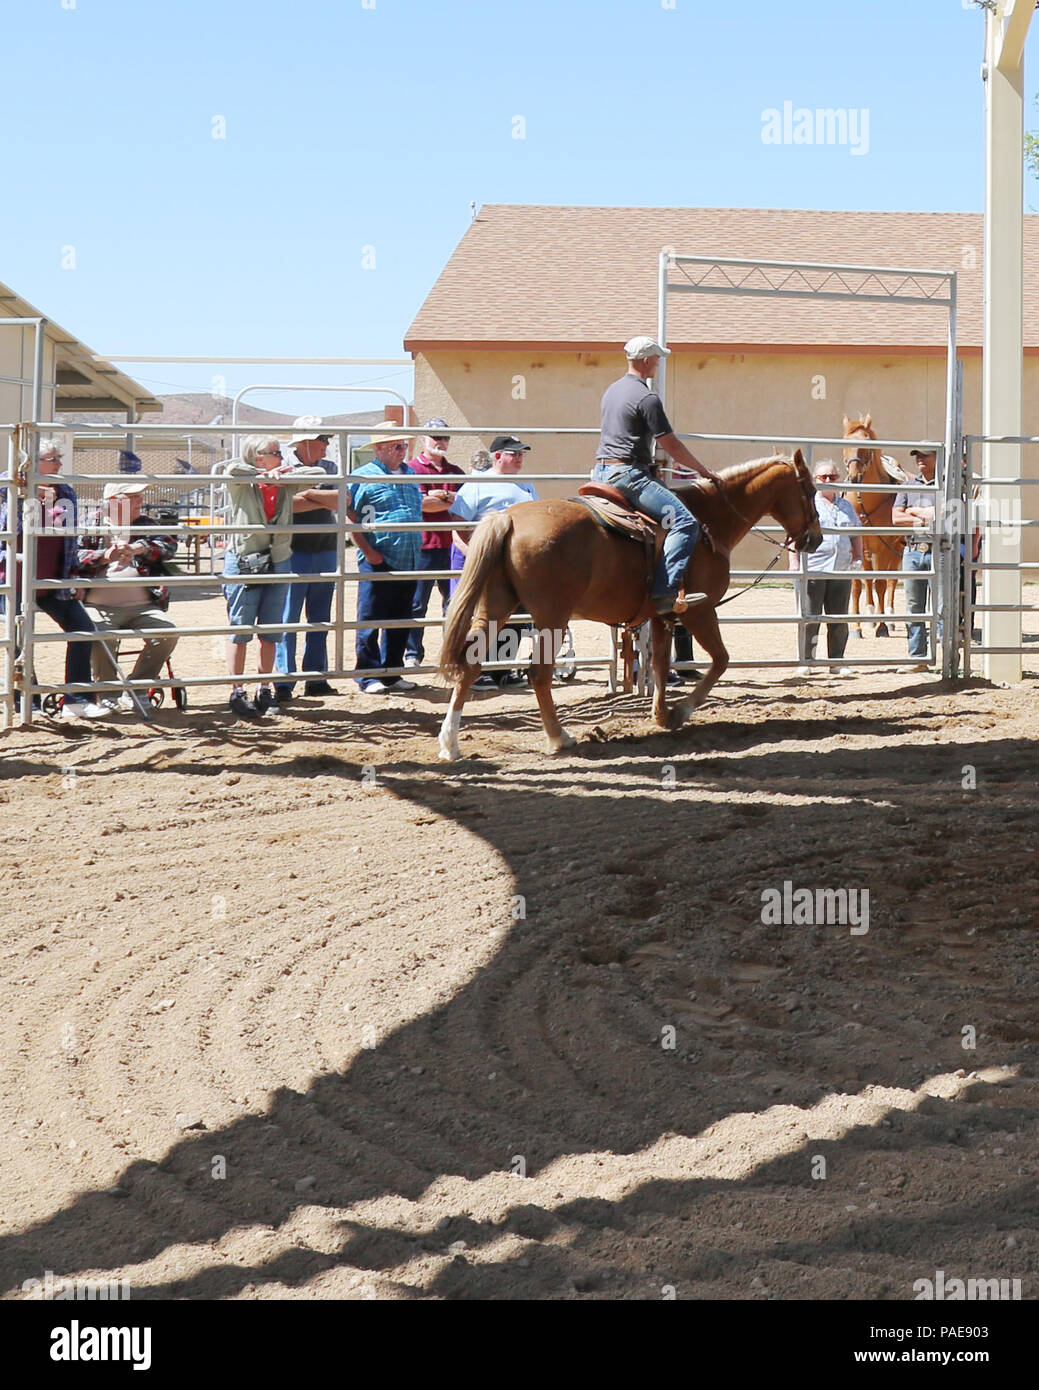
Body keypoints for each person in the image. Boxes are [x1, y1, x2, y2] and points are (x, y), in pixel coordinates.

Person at [592, 336, 720, 614]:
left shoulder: (612, 391)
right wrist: (702, 470)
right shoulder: (647, 398)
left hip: (600, 471)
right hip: (628, 476)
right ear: (647, 360)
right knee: (685, 522)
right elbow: (670, 444)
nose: (659, 364)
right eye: (658, 359)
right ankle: (665, 591)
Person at [220, 434, 332, 718]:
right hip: (246, 559)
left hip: (278, 559)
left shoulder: (284, 480)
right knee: (241, 629)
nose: (282, 457)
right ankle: (237, 690)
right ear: (258, 457)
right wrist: (263, 474)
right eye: (275, 453)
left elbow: (319, 473)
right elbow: (231, 470)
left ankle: (264, 688)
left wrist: (284, 474)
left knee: (271, 630)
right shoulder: (243, 482)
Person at [0, 438, 108, 720]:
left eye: (58, 457)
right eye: (53, 458)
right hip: (14, 579)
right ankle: (28, 701)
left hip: (53, 579)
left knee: (83, 629)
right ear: (32, 464)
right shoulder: (8, 486)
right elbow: (8, 528)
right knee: (19, 640)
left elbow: (70, 540)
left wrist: (74, 578)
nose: (59, 463)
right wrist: (30, 498)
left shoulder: (65, 491)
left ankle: (76, 699)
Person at [77, 481, 180, 710]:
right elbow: (73, 556)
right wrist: (104, 556)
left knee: (168, 633)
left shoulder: (145, 523)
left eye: (139, 496)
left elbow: (169, 545)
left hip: (144, 605)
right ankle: (107, 693)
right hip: (98, 605)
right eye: (133, 497)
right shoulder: (90, 524)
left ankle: (137, 688)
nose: (139, 501)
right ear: (114, 501)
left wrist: (141, 547)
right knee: (101, 634)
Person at [450, 435, 539, 689]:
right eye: (514, 453)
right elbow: (457, 525)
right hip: (484, 561)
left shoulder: (526, 486)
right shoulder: (477, 483)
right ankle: (475, 670)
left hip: (516, 565)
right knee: (481, 616)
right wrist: (472, 554)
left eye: (522, 453)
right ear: (498, 456)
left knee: (516, 615)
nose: (520, 458)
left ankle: (502, 668)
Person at [347, 424, 423, 694]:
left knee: (400, 617)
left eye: (404, 446)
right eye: (396, 446)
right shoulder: (362, 477)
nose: (403, 451)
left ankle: (392, 671)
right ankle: (367, 674)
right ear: (379, 449)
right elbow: (351, 515)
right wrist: (368, 551)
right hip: (378, 557)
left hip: (410, 557)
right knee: (371, 616)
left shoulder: (410, 473)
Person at [273, 423, 341, 702]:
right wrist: (320, 498)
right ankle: (284, 680)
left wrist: (306, 494)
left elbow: (340, 499)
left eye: (325, 439)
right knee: (288, 617)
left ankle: (315, 676)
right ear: (303, 443)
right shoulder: (284, 467)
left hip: (324, 548)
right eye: (320, 439)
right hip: (293, 550)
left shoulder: (331, 466)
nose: (325, 443)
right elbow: (285, 504)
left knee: (320, 618)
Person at [788, 459, 862, 676]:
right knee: (810, 617)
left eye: (832, 477)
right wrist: (794, 563)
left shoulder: (846, 505)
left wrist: (858, 558)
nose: (828, 481)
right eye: (824, 477)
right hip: (814, 568)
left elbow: (857, 534)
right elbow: (794, 535)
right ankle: (807, 660)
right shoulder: (808, 505)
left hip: (840, 569)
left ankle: (837, 661)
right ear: (815, 480)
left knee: (838, 618)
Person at [404, 418, 465, 669]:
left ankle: (450, 653)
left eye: (445, 438)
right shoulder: (411, 469)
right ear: (423, 440)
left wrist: (441, 497)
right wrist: (450, 499)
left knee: (454, 604)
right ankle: (412, 654)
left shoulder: (456, 472)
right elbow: (419, 504)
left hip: (452, 547)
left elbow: (466, 505)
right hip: (423, 547)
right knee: (417, 603)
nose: (441, 442)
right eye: (435, 437)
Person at [893, 447, 939, 672]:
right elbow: (895, 517)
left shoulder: (946, 485)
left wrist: (913, 511)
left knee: (942, 606)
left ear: (936, 457)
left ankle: (945, 658)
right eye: (916, 455)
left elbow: (950, 515)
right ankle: (917, 658)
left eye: (925, 454)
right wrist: (924, 516)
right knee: (914, 607)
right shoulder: (907, 486)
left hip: (940, 549)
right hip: (912, 550)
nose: (919, 458)